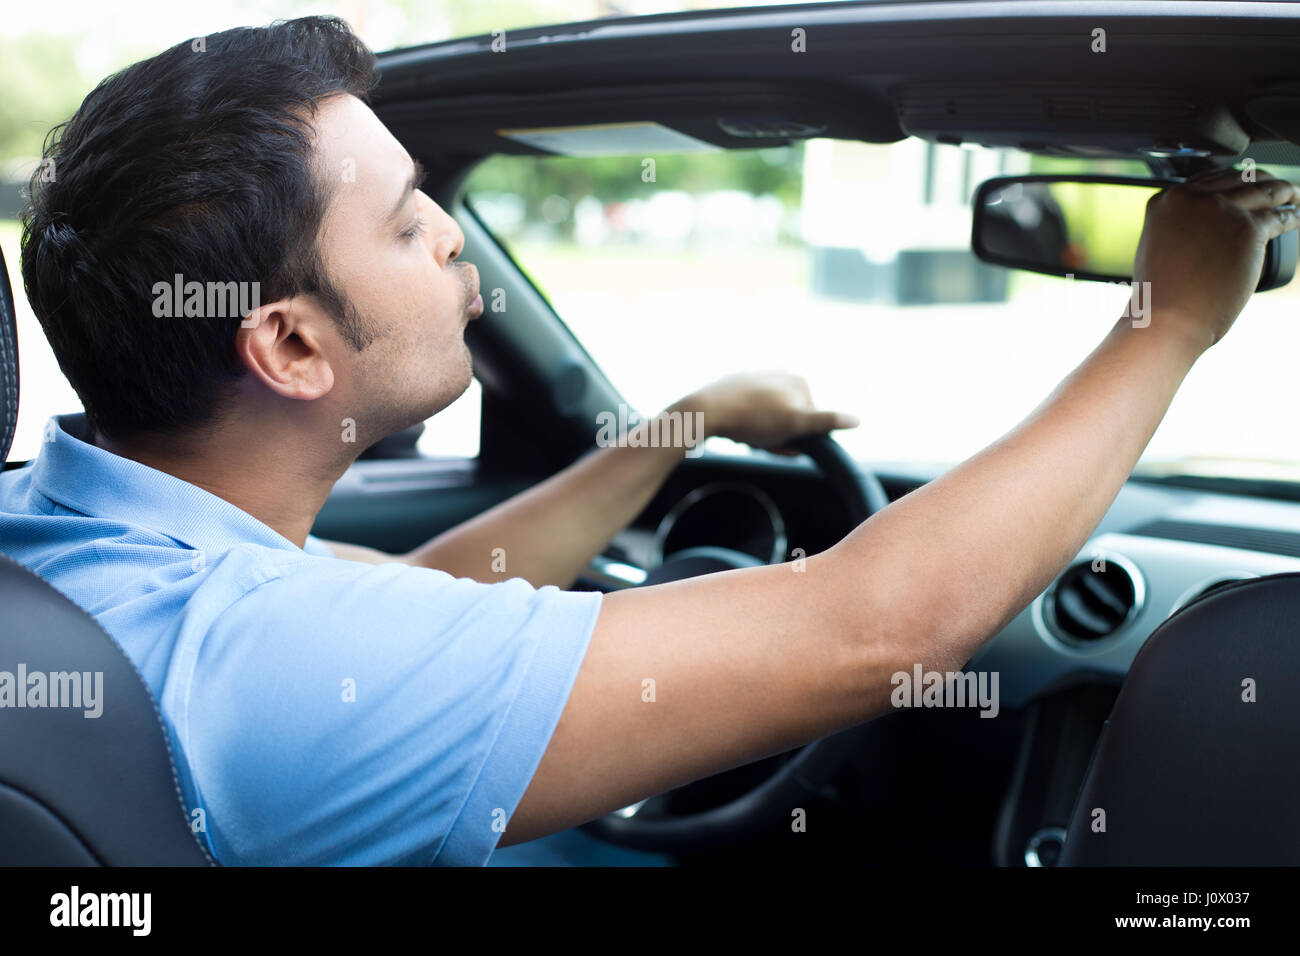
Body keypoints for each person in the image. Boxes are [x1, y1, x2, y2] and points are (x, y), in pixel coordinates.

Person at [2, 16, 1296, 866]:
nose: (454, 237)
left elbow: (423, 610)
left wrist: (688, 426)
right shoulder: (258, 661)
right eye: (409, 224)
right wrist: (1171, 318)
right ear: (289, 350)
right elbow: (878, 634)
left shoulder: (72, 545)